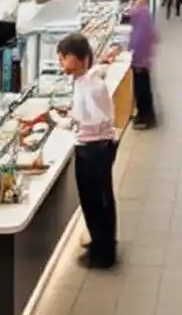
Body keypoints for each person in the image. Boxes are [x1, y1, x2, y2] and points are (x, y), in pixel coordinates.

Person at [59, 33, 118, 269]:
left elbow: (93, 119)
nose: (62, 63)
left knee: (98, 202)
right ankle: (99, 243)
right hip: (92, 147)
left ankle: (104, 254)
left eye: (64, 58)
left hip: (95, 151)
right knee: (91, 201)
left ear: (77, 58)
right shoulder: (84, 80)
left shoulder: (93, 85)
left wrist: (63, 120)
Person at [128, 0, 158, 129]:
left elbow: (142, 37)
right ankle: (143, 114)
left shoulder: (142, 14)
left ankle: (146, 117)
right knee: (141, 87)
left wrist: (136, 54)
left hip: (140, 59)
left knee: (142, 89)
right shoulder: (142, 14)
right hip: (140, 59)